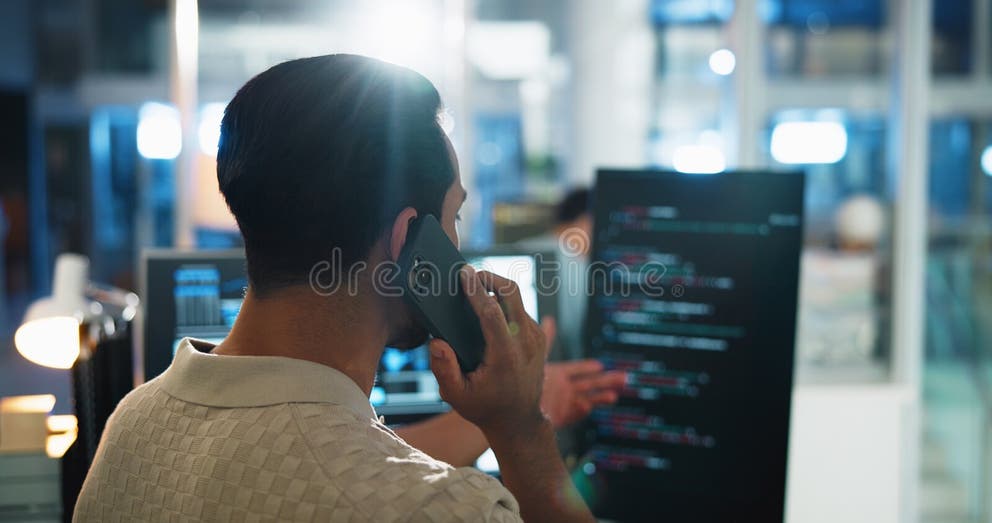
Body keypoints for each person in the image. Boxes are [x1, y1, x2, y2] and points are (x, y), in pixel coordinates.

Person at [74, 55, 607, 522]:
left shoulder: (132, 426)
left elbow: (308, 453)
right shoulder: (440, 510)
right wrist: (521, 431)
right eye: (455, 217)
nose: (458, 247)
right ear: (406, 246)